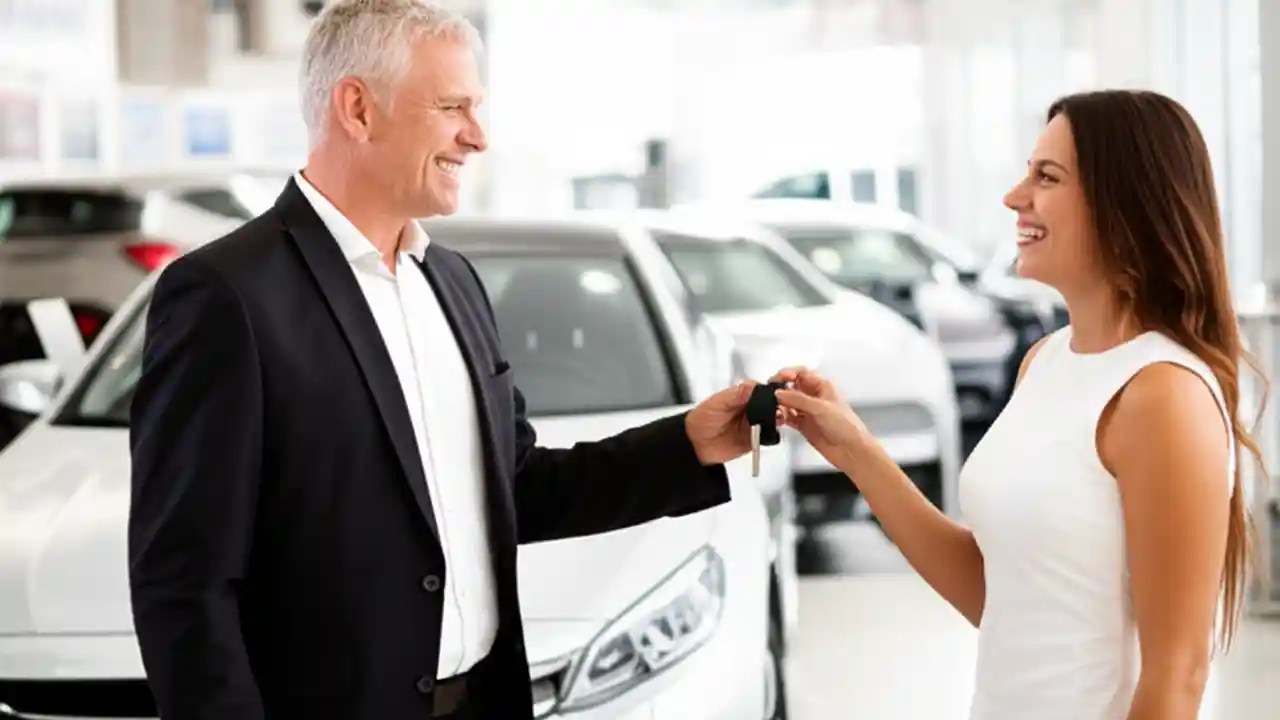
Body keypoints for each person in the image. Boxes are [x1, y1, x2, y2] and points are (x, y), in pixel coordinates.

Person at [127, 2, 756, 718]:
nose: (477, 136)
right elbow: (184, 585)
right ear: (358, 109)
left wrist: (687, 445)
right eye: (453, 106)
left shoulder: (451, 280)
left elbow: (510, 487)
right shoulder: (227, 296)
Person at [773, 89, 1265, 719]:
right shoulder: (1046, 361)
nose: (1014, 196)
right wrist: (856, 450)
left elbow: (1177, 679)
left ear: (1128, 205)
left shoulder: (1163, 396)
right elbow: (1000, 595)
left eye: (1047, 177)